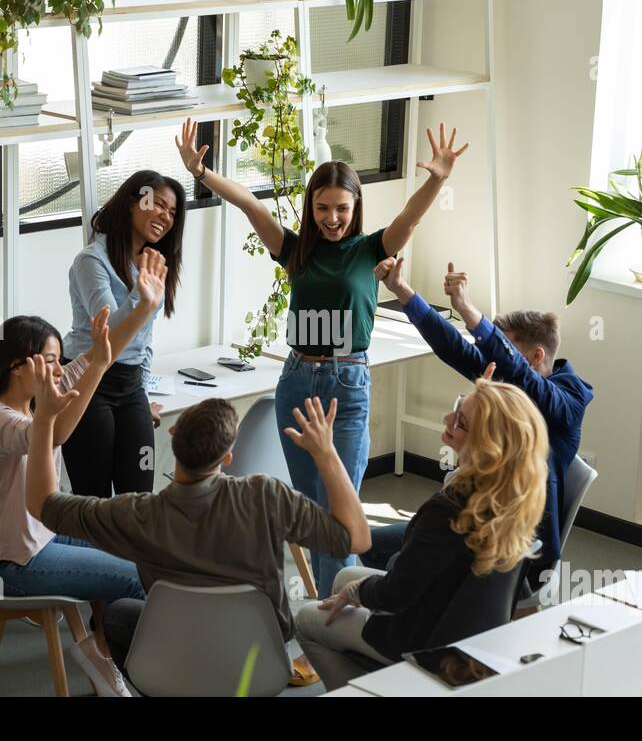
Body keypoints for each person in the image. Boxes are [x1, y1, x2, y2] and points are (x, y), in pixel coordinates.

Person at [176, 117, 470, 596]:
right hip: (297, 380)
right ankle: (336, 608)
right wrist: (200, 173)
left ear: (355, 209)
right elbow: (251, 205)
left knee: (340, 507)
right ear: (311, 208)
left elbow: (409, 219)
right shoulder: (295, 251)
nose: (331, 218)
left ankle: (340, 610)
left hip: (346, 385)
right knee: (314, 510)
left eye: (341, 209)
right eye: (322, 208)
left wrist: (436, 178)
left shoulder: (372, 248)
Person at [22, 359, 372, 680]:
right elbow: (358, 540)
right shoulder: (266, 496)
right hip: (259, 660)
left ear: (173, 440)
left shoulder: (136, 513)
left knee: (119, 614)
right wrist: (326, 454)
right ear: (228, 456)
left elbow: (41, 504)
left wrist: (45, 419)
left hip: (176, 656)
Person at [295, 380, 550, 690]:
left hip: (428, 646)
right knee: (345, 576)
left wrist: (356, 592)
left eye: (460, 420)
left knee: (307, 620)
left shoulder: (448, 510)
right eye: (457, 407)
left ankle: (378, 689)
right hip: (468, 636)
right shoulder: (514, 500)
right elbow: (518, 596)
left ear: (486, 445)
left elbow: (396, 593)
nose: (447, 418)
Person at [366, 256, 593, 600]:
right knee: (369, 544)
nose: (497, 359)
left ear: (535, 356)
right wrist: (401, 289)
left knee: (403, 563)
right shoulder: (504, 377)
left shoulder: (570, 398)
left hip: (515, 545)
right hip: (469, 520)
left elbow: (519, 374)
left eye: (506, 348)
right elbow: (450, 345)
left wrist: (469, 310)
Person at [0, 310, 144, 697]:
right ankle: (146, 672)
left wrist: (143, 308)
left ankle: (104, 651)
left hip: (46, 538)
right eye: (50, 361)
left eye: (59, 360)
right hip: (14, 562)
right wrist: (94, 367)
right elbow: (52, 433)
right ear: (16, 367)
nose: (59, 369)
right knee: (136, 578)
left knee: (141, 553)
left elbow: (100, 357)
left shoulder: (32, 401)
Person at [60, 169, 183, 498]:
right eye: (157, 204)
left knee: (140, 496)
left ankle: (130, 554)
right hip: (88, 381)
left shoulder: (152, 265)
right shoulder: (91, 261)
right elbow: (107, 339)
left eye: (172, 212)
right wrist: (142, 300)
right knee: (94, 497)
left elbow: (144, 341)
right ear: (132, 202)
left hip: (129, 386)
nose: (165, 216)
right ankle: (90, 554)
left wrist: (141, 396)